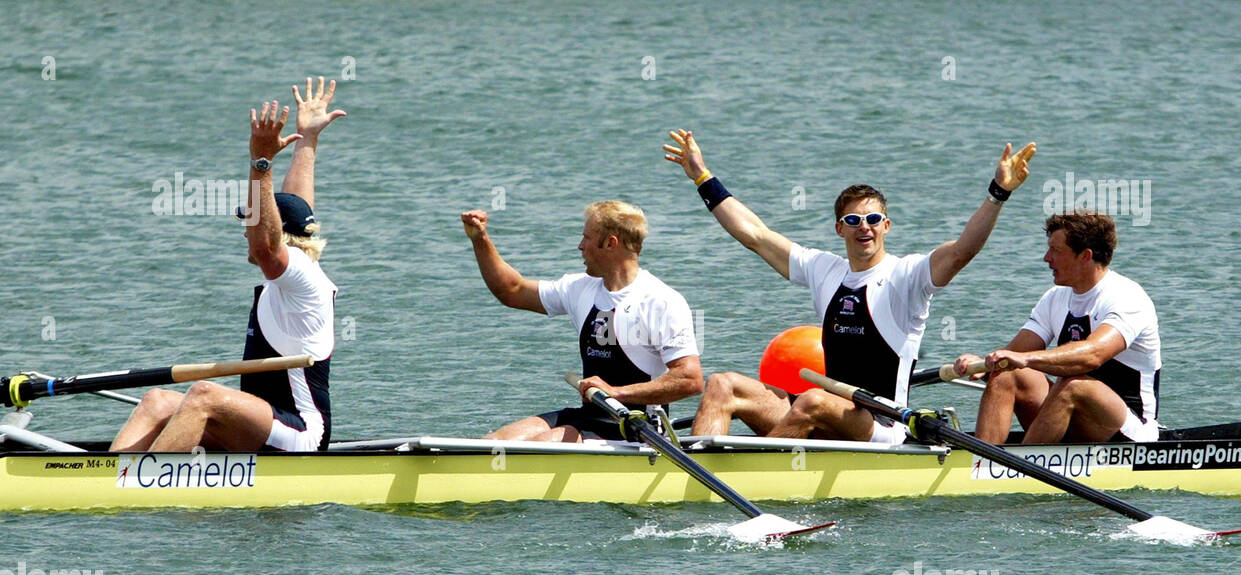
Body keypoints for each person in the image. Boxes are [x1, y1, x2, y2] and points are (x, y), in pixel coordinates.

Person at [662, 129, 1035, 444]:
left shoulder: (908, 275)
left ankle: (751, 473)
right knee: (723, 384)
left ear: (886, 226)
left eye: (873, 218)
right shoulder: (823, 269)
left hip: (882, 422)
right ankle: (699, 476)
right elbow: (756, 235)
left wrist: (998, 193)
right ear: (840, 229)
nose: (864, 227)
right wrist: (702, 177)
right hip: (827, 410)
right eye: (853, 220)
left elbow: (961, 252)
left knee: (811, 401)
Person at [110, 78, 346, 452]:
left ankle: (137, 487)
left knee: (204, 395)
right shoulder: (295, 268)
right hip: (263, 422)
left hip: (300, 431)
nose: (246, 233)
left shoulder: (301, 275)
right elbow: (293, 207)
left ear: (280, 236)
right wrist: (307, 141)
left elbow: (268, 246)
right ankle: (110, 478)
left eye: (252, 222)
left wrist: (261, 161)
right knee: (158, 400)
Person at [461, 201, 703, 442]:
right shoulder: (579, 288)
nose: (580, 246)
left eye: (586, 238)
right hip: (590, 415)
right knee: (493, 443)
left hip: (636, 427)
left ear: (611, 243)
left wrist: (616, 392)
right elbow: (511, 290)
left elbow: (690, 379)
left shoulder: (661, 301)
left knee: (542, 445)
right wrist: (480, 239)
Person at [951, 211, 1161, 444]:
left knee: (1073, 384)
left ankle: (1018, 474)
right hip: (1069, 416)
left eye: (1056, 251)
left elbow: (1092, 355)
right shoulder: (1054, 298)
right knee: (1006, 373)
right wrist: (984, 364)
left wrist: (1027, 360)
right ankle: (982, 465)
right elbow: (1013, 354)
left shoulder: (1126, 297)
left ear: (1085, 256)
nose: (1046, 258)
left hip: (1128, 431)